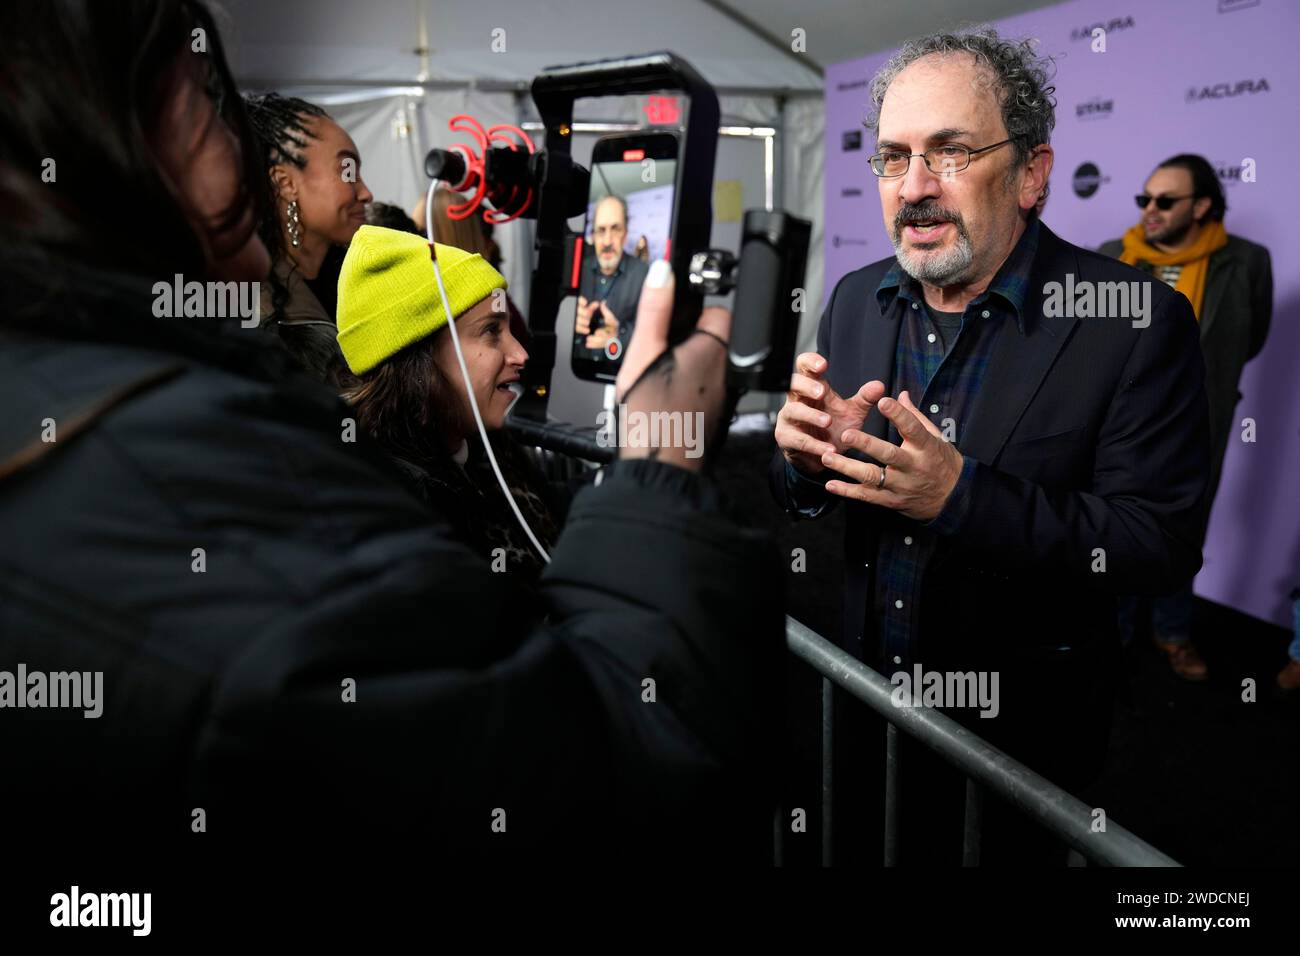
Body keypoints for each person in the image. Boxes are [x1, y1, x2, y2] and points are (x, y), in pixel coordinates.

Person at [0, 0, 780, 867]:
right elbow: (585, 793)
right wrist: (659, 469)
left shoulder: (89, 406)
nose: (259, 232)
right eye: (207, 105)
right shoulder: (226, 480)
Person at [769, 28, 1209, 865]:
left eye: (952, 152)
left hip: (1020, 748)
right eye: (893, 159)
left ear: (1032, 173)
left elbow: (1157, 547)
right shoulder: (857, 299)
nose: (917, 188)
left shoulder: (1132, 321)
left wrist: (960, 498)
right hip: (865, 707)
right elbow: (804, 488)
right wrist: (799, 463)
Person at [1099, 155, 1273, 681]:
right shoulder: (1112, 257)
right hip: (1117, 426)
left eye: (1166, 201)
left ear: (1200, 205)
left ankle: (1172, 632)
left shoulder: (1244, 262)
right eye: (1144, 199)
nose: (1150, 210)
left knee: (1182, 528)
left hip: (1199, 425)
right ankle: (1115, 632)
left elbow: (1252, 337)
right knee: (1112, 527)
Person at [337, 225, 559, 584]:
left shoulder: (486, 446)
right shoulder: (399, 514)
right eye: (491, 330)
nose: (520, 354)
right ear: (418, 360)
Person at [244, 91, 374, 389]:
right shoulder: (256, 315)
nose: (366, 193)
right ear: (286, 184)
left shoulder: (358, 284)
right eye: (347, 170)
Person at [576, 194, 649, 356]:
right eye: (601, 231)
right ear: (593, 235)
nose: (607, 241)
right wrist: (570, 319)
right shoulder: (577, 271)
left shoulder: (644, 274)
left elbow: (652, 334)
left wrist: (619, 336)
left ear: (626, 233)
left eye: (616, 229)